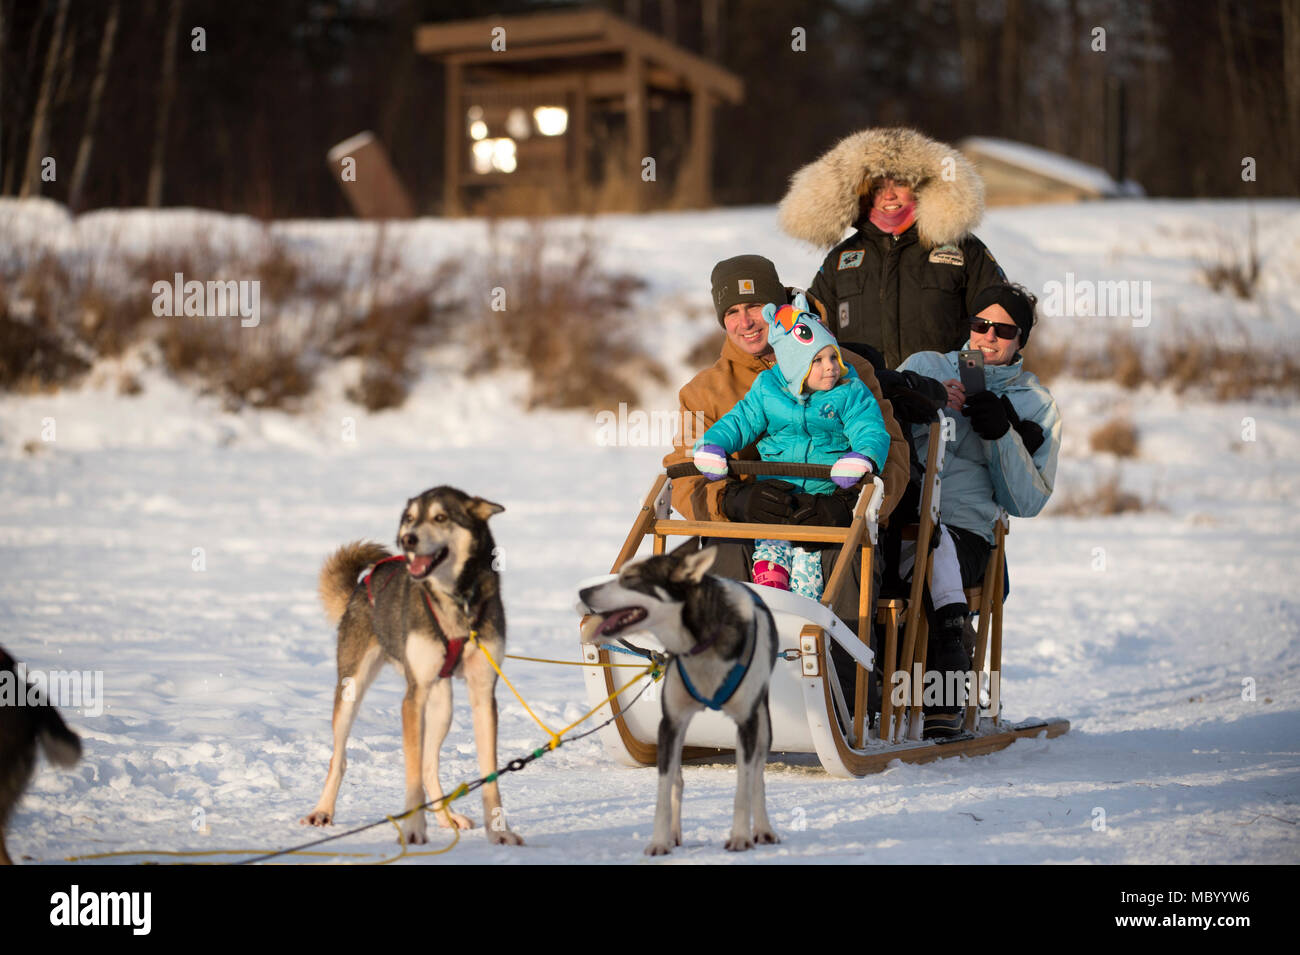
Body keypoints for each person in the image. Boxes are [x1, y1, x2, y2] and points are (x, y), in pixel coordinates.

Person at [663, 254, 911, 707]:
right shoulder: (704, 391)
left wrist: (847, 505)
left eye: (755, 306)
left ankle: (843, 698)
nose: (745, 322)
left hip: (833, 511)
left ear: (779, 306)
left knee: (848, 547)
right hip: (748, 523)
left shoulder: (842, 367)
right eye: (732, 312)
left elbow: (892, 454)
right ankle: (728, 685)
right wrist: (734, 502)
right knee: (723, 543)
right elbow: (684, 475)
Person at [896, 283, 1061, 736]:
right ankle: (860, 693)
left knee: (934, 551)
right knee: (867, 562)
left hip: (967, 532)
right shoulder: (924, 365)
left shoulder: (1035, 402)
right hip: (904, 514)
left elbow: (1028, 502)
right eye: (980, 324)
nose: (987, 337)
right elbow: (877, 424)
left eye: (1003, 330)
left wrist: (1002, 434)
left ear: (1020, 340)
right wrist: (920, 398)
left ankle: (943, 693)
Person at [690, 295, 892, 600]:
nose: (831, 368)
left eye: (833, 357)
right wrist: (714, 445)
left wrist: (862, 457)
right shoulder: (768, 388)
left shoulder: (849, 390)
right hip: (778, 494)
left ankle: (804, 619)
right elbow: (741, 420)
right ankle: (769, 601)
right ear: (795, 366)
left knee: (810, 560)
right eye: (819, 361)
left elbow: (868, 426)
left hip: (824, 494)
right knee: (770, 553)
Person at [778, 127, 1009, 370]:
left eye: (899, 183)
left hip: (945, 397)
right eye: (877, 187)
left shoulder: (963, 249)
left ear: (920, 186)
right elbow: (813, 333)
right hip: (867, 400)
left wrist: (973, 385)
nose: (888, 195)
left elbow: (1002, 325)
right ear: (864, 194)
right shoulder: (840, 260)